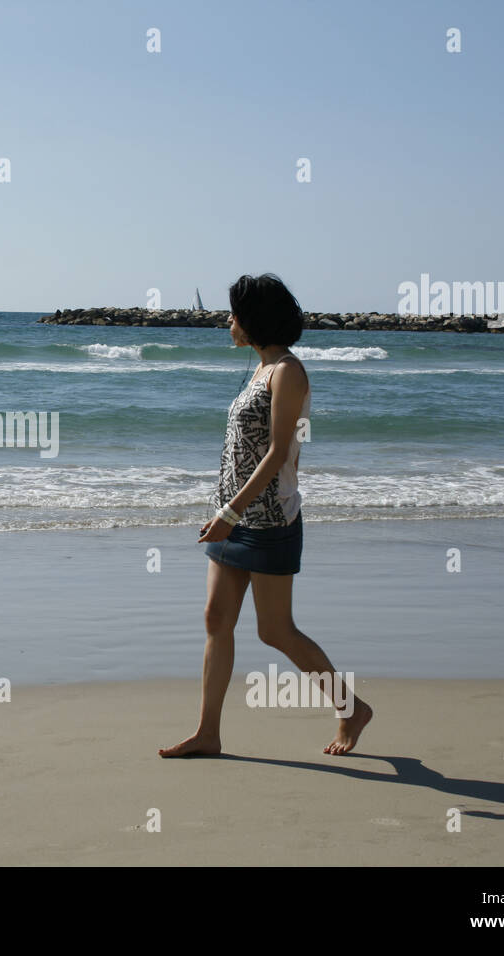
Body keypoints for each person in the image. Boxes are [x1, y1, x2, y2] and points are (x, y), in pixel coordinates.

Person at [159, 274, 372, 758]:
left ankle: (351, 709)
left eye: (234, 314)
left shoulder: (287, 372)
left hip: (269, 517)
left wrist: (232, 512)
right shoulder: (260, 369)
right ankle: (208, 733)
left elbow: (277, 453)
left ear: (255, 320)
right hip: (232, 516)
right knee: (216, 619)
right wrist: (226, 510)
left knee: (275, 630)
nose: (228, 321)